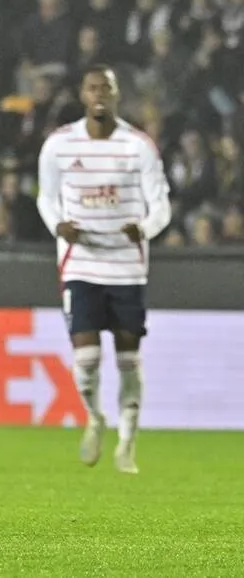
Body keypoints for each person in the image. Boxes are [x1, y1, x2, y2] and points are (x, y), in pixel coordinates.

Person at [36, 64, 171, 475]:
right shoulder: (59, 145)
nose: (99, 94)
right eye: (92, 87)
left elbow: (161, 204)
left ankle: (127, 443)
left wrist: (144, 229)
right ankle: (94, 417)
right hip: (81, 264)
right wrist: (57, 225)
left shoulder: (138, 146)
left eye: (107, 89)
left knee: (129, 357)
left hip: (127, 267)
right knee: (88, 358)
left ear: (116, 95)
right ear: (82, 94)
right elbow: (46, 198)